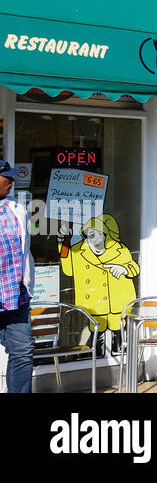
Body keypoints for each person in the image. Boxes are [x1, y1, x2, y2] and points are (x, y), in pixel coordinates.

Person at [0, 160, 34, 393]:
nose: (12, 181)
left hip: (15, 295)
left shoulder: (16, 207)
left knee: (22, 352)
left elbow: (25, 250)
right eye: (7, 177)